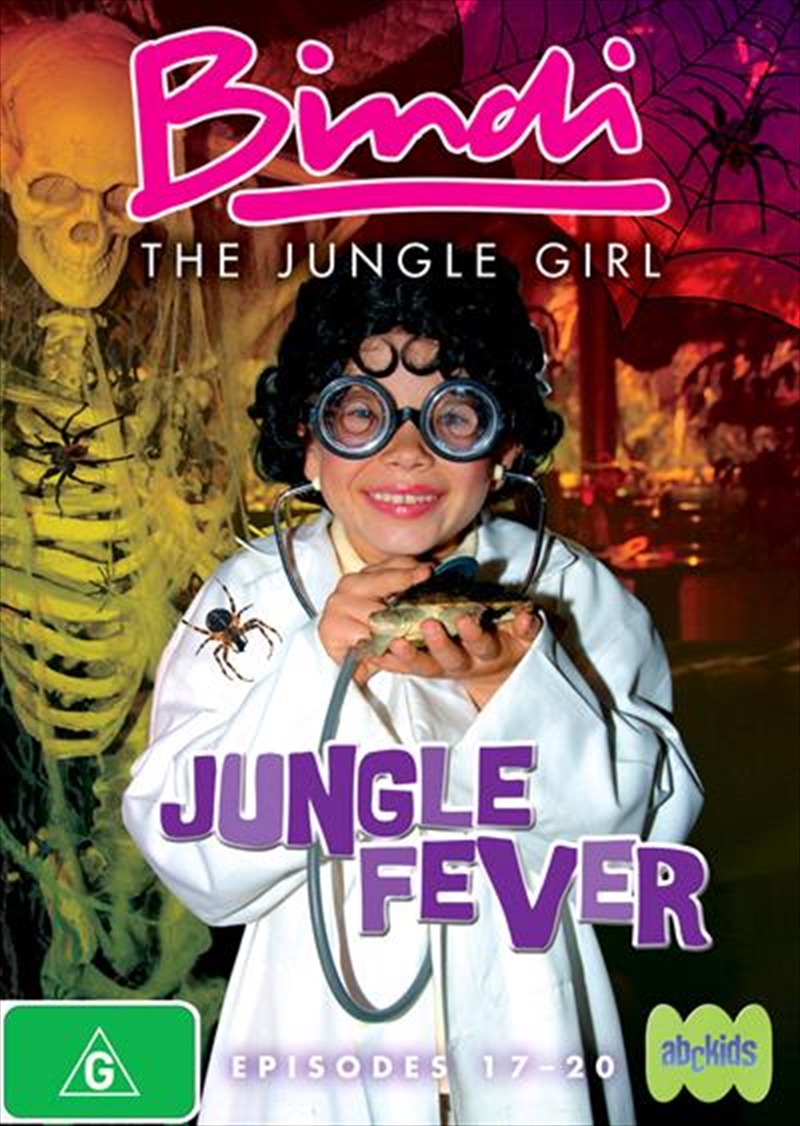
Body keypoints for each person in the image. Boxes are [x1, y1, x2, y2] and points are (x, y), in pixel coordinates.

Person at [122, 244, 703, 1126]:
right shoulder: (252, 600)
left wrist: (516, 690)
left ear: (505, 447)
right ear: (307, 443)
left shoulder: (571, 596)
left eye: (453, 416)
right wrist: (317, 666)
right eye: (360, 412)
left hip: (527, 1050)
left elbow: (636, 858)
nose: (405, 453)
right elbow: (194, 857)